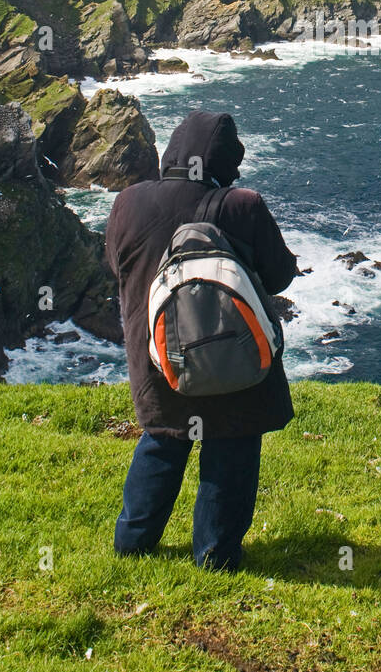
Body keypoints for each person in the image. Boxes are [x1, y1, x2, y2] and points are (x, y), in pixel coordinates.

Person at [104, 109, 297, 571]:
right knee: (232, 442)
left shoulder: (127, 203)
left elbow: (116, 265)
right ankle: (215, 554)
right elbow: (280, 275)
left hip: (160, 355)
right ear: (225, 163)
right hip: (234, 358)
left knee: (163, 439)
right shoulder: (242, 206)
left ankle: (133, 543)